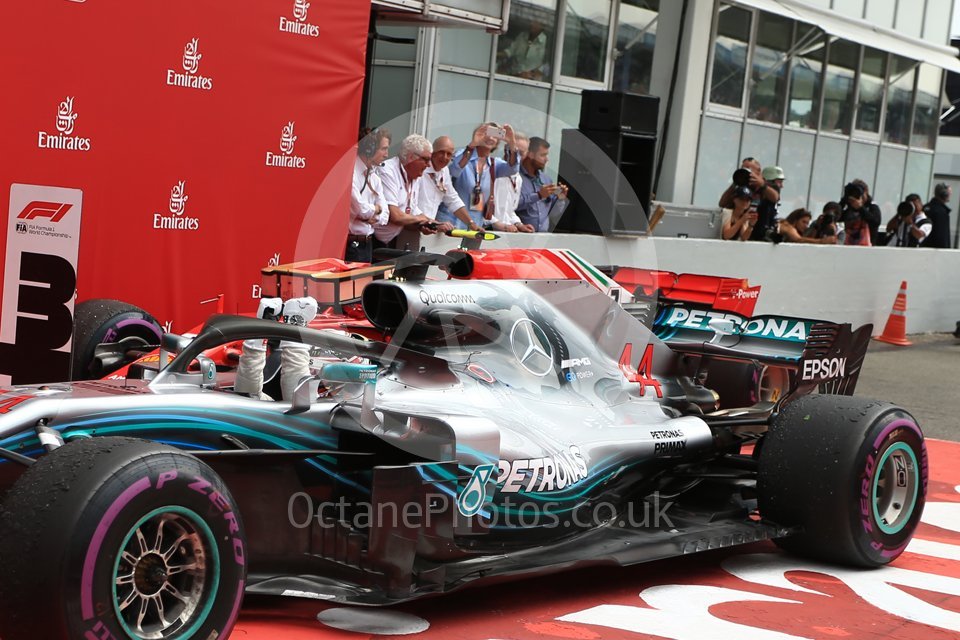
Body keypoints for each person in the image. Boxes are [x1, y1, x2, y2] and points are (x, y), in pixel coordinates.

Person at [445, 122, 521, 230]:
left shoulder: (494, 164)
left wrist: (512, 143)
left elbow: (512, 169)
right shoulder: (463, 155)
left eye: (495, 136)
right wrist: (472, 145)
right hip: (452, 223)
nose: (490, 137)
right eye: (486, 133)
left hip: (476, 225)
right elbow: (455, 170)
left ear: (497, 142)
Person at [376, 134, 436, 250]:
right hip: (372, 239)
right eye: (426, 159)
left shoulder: (415, 175)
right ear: (411, 157)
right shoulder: (388, 171)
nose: (429, 165)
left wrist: (429, 223)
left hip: (392, 240)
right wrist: (423, 219)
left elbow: (412, 210)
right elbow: (395, 216)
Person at [346, 128, 390, 262]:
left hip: (367, 244)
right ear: (369, 149)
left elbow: (385, 216)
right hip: (351, 244)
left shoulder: (374, 178)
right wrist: (376, 209)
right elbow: (360, 209)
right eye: (383, 149)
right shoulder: (350, 172)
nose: (386, 154)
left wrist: (374, 215)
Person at [418, 135, 473, 232]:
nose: (445, 157)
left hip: (429, 228)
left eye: (449, 154)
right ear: (432, 152)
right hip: (413, 226)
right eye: (441, 152)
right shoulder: (420, 169)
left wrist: (471, 224)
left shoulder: (444, 171)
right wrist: (432, 223)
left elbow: (452, 200)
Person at [516, 136, 568, 232]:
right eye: (543, 155)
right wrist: (538, 195)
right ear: (530, 154)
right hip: (519, 236)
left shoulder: (546, 179)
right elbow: (512, 205)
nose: (546, 159)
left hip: (542, 238)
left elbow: (553, 214)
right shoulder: (515, 177)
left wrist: (561, 198)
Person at [490, 133, 535, 232]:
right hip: (488, 229)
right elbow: (482, 209)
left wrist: (519, 224)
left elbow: (509, 211)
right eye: (514, 150)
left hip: (506, 232)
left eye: (521, 153)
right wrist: (500, 225)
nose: (517, 155)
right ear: (506, 149)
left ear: (526, 154)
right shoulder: (492, 169)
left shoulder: (518, 178)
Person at [748, 165, 785, 242]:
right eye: (779, 182)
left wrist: (763, 185)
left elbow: (774, 197)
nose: (781, 186)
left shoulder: (770, 195)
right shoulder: (751, 192)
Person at [850, 179, 882, 243]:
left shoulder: (873, 207)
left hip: (867, 245)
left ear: (866, 192)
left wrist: (860, 208)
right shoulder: (850, 206)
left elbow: (875, 221)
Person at [922, 182, 952, 248]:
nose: (951, 194)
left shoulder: (924, 208)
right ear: (944, 194)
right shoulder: (941, 212)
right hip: (935, 253)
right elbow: (941, 238)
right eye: (949, 193)